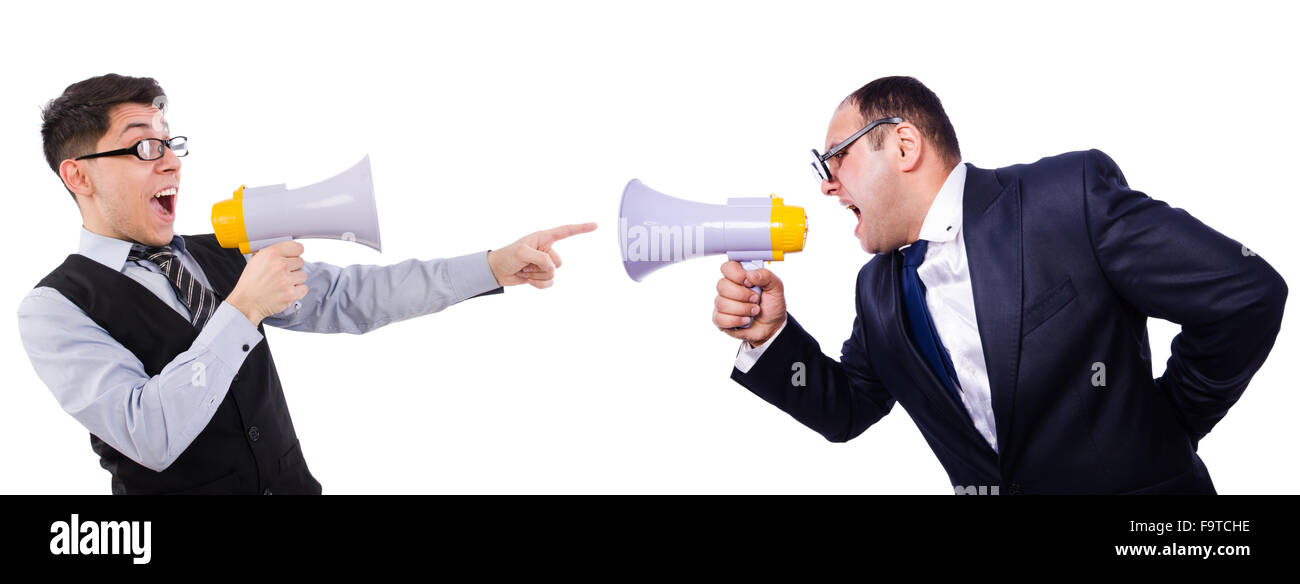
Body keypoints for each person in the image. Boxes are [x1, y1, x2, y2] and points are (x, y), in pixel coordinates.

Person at [18, 73, 595, 494]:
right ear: (79, 175)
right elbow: (149, 435)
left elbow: (351, 298)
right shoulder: (54, 308)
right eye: (145, 145)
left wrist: (491, 266)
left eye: (172, 143)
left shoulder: (217, 255)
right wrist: (242, 311)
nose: (171, 162)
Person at [712, 76, 1287, 494]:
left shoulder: (1067, 199)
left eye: (833, 159)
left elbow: (1243, 294)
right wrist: (770, 335)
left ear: (904, 145)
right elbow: (848, 410)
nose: (827, 186)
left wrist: (1172, 421)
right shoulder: (877, 291)